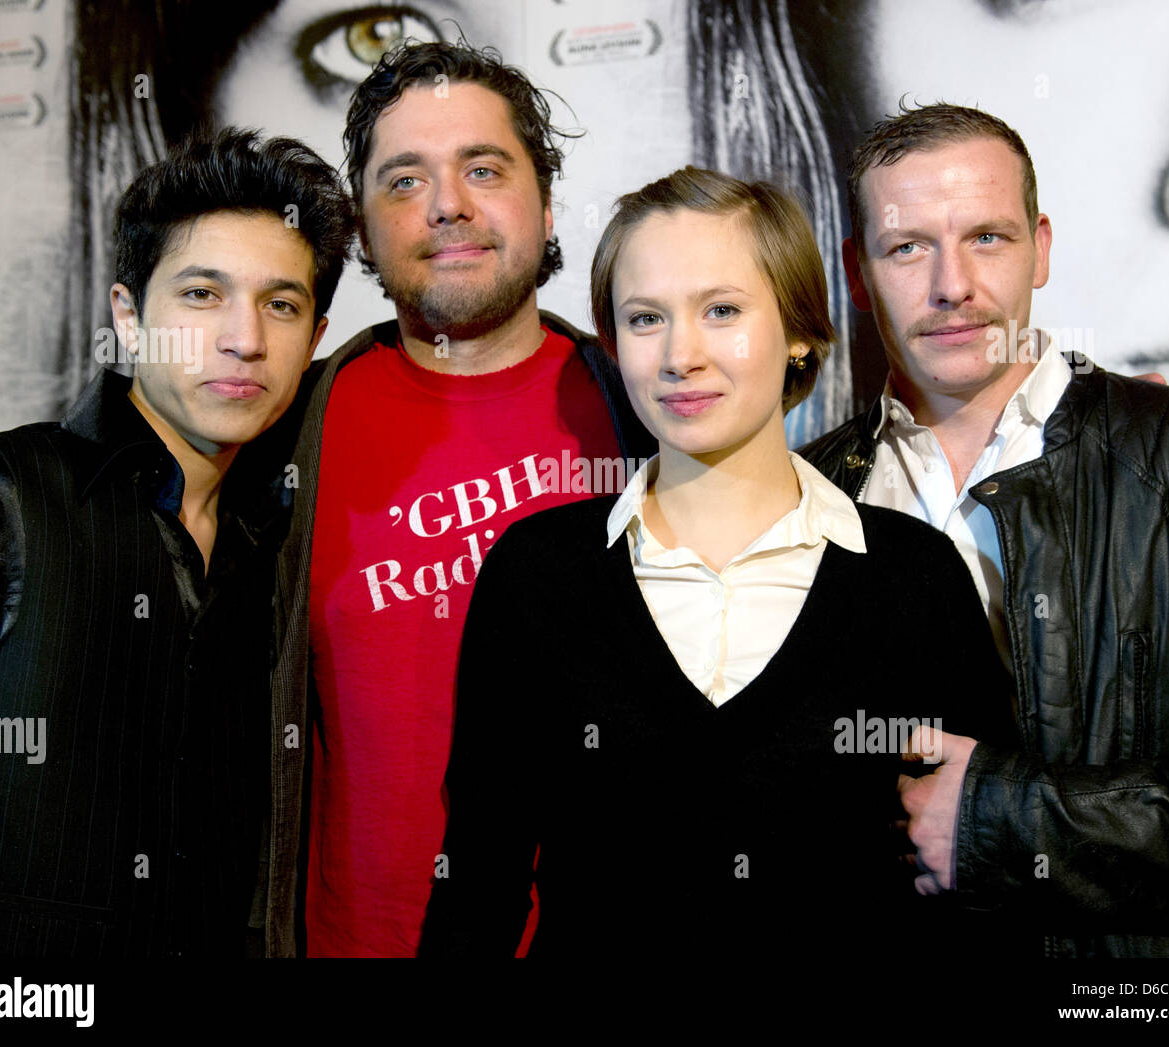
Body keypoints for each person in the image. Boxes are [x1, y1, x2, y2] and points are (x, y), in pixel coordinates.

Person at [417, 166, 1012, 957]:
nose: (680, 355)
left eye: (722, 310)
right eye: (645, 318)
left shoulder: (913, 578)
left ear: (799, 328)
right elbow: (476, 892)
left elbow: (975, 893)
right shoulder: (538, 576)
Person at [800, 103, 1169, 957]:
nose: (952, 284)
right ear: (856, 272)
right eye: (907, 246)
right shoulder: (807, 496)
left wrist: (1003, 818)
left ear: (1041, 247)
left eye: (988, 239)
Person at [263, 40, 656, 958]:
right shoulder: (285, 431)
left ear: (546, 203)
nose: (447, 204)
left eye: (484, 168)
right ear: (359, 229)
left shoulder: (650, 416)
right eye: (404, 180)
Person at [0, 128, 354, 957]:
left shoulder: (272, 553)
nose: (246, 338)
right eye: (203, 294)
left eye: (281, 304)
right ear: (130, 319)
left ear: (312, 341)